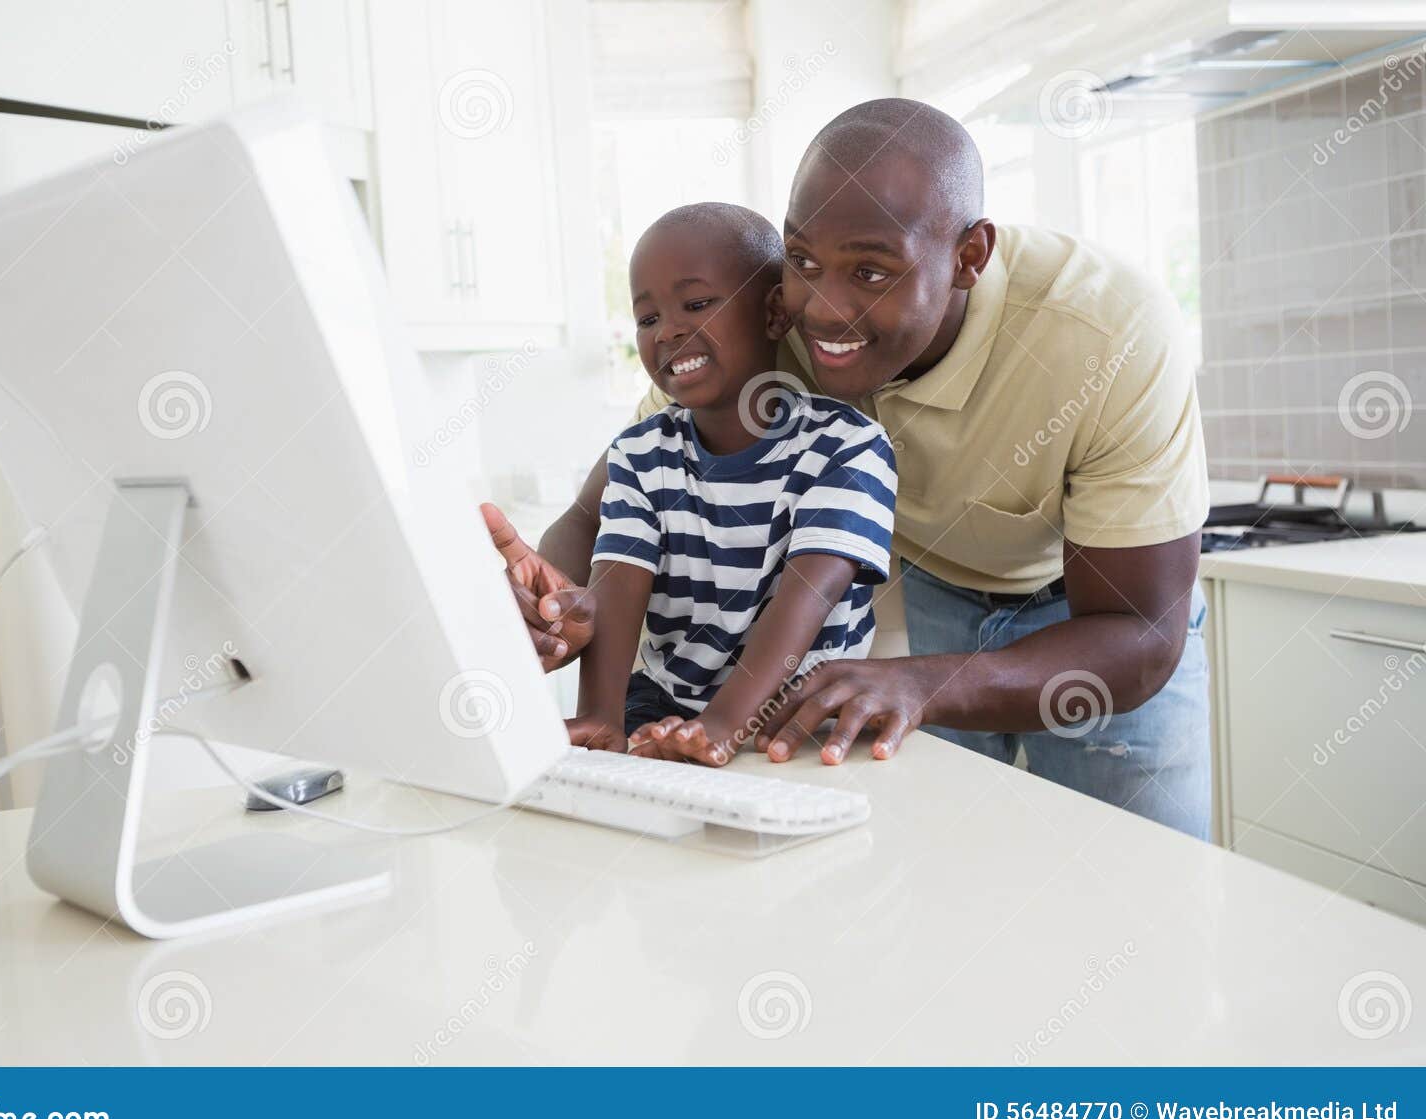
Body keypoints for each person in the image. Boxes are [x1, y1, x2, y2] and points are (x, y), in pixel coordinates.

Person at [484, 98, 1212, 839]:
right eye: (802, 261)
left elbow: (1140, 632)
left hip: (1093, 617)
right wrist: (558, 597)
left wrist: (924, 682)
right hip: (929, 592)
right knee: (953, 882)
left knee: (1137, 887)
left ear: (969, 257)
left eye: (871, 270)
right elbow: (605, 502)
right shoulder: (765, 320)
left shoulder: (1107, 333)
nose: (824, 310)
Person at [532, 202, 897, 766]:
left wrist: (723, 725)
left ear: (774, 313)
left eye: (697, 305)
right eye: (648, 319)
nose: (669, 330)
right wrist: (603, 717)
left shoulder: (849, 446)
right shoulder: (639, 452)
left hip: (801, 717)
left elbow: (811, 597)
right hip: (665, 705)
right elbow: (618, 585)